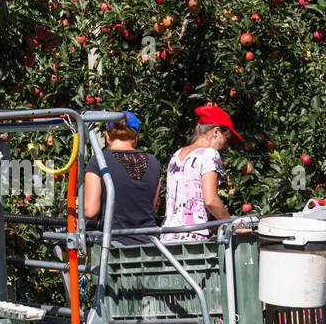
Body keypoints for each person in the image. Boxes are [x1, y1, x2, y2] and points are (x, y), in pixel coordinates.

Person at [161, 103, 242, 241]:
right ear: (216, 132)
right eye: (226, 138)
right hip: (193, 238)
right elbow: (210, 200)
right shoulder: (209, 154)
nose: (226, 145)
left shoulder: (177, 154)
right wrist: (232, 224)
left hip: (168, 237)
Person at [84, 112, 161, 244]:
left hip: (114, 246)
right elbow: (152, 207)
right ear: (136, 137)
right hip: (150, 245)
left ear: (108, 136)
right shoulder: (153, 161)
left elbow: (91, 211)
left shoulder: (99, 161)